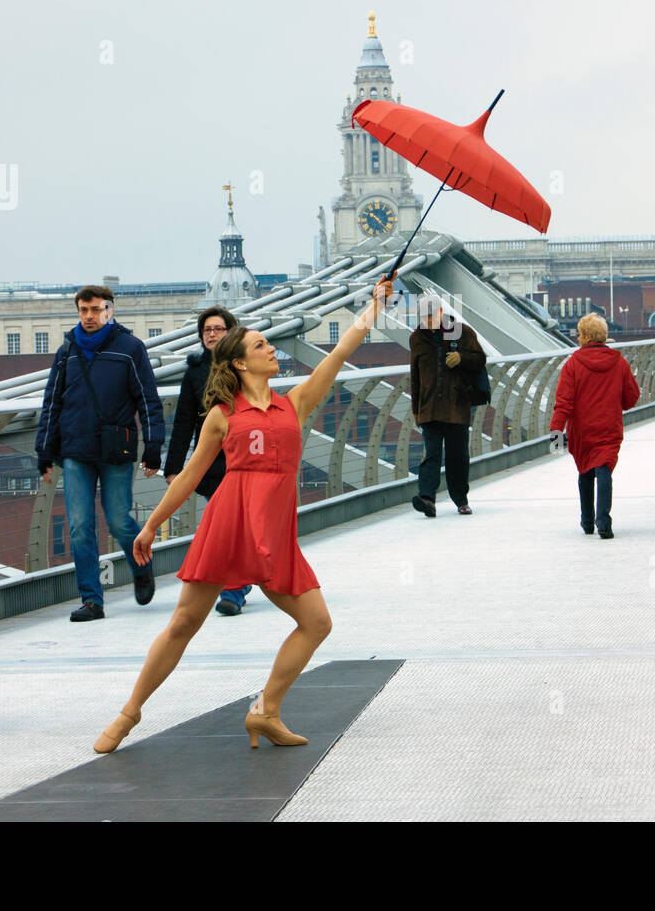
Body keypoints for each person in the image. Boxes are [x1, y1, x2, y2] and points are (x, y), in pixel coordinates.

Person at [91, 276, 395, 755]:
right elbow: (190, 477)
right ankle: (130, 712)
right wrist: (150, 526)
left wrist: (374, 308)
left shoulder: (292, 403)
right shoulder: (222, 414)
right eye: (261, 345)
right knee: (184, 623)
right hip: (229, 523)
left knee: (316, 622)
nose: (272, 350)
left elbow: (336, 357)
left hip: (274, 531)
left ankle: (266, 711)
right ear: (239, 361)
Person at [36, 285, 165, 621]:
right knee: (79, 526)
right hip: (76, 449)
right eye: (83, 310)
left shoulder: (130, 348)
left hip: (116, 449)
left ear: (109, 310)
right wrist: (44, 450)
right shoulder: (67, 350)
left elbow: (147, 400)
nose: (89, 316)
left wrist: (153, 448)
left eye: (95, 309)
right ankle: (92, 600)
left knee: (119, 520)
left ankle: (141, 566)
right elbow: (52, 401)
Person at [164, 306, 253, 617]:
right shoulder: (195, 371)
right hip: (212, 462)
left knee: (236, 525)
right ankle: (235, 587)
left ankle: (235, 586)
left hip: (245, 458)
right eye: (207, 330)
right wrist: (173, 468)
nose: (212, 334)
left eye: (218, 329)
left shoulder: (246, 366)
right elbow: (184, 422)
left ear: (231, 332)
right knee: (229, 525)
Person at [548, 314, 640, 539]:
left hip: (582, 430)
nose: (577, 337)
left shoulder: (573, 364)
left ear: (586, 336)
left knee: (585, 471)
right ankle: (604, 522)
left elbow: (564, 402)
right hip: (609, 426)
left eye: (579, 333)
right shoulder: (619, 362)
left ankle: (587, 521)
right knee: (604, 469)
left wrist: (556, 431)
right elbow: (631, 398)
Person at [408, 293, 487, 517]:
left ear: (441, 312)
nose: (428, 321)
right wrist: (416, 409)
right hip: (429, 406)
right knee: (431, 454)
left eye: (431, 316)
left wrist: (461, 358)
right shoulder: (417, 338)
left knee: (457, 455)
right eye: (424, 317)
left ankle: (461, 499)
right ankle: (427, 499)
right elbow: (415, 376)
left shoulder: (462, 332)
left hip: (456, 405)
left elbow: (480, 359)